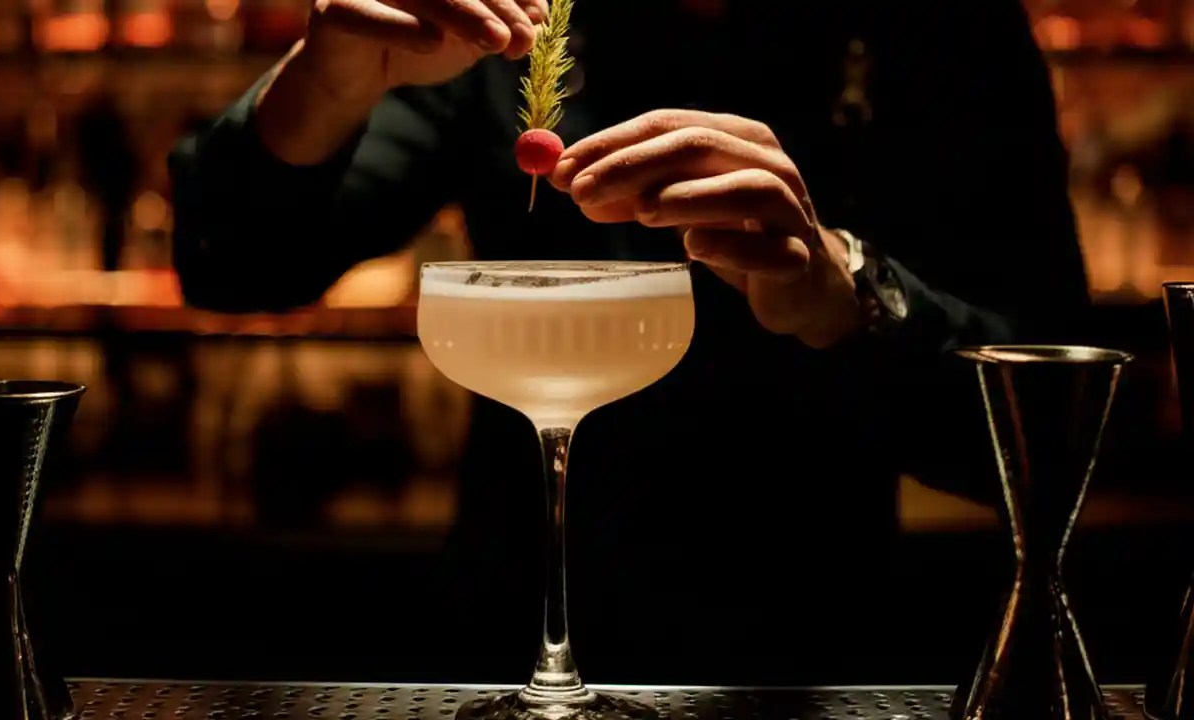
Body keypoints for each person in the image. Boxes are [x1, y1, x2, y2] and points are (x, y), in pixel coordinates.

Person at [168, 0, 1091, 686]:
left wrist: (851, 291)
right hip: (504, 644)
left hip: (818, 653)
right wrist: (321, 86)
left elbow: (1060, 418)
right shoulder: (510, 26)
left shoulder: (945, 27)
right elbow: (235, 266)